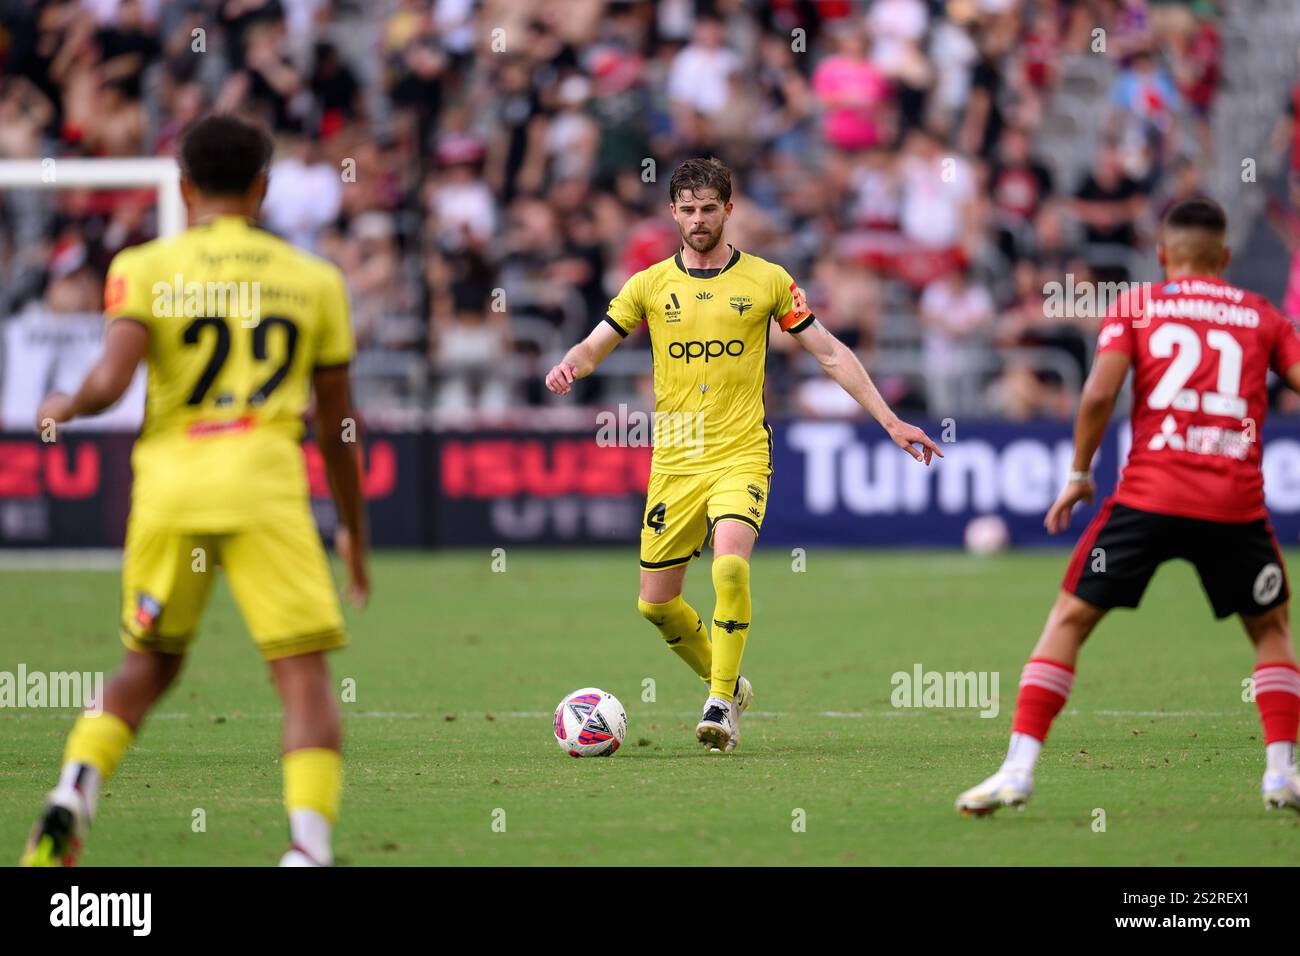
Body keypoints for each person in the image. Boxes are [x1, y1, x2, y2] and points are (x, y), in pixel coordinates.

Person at [20, 113, 369, 867]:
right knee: (301, 674)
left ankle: (73, 789)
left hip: (172, 484)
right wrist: (355, 537)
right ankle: (307, 851)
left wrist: (62, 407)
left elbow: (111, 383)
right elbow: (340, 426)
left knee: (148, 665)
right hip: (263, 484)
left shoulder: (145, 266)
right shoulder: (314, 280)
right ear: (264, 189)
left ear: (182, 187)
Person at [545, 157, 940, 752]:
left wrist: (887, 419)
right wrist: (572, 363)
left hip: (740, 452)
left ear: (729, 210)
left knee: (728, 566)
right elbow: (599, 342)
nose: (699, 219)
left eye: (709, 208)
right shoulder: (649, 284)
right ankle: (724, 679)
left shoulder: (767, 281)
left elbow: (829, 352)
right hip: (676, 460)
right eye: (688, 209)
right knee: (656, 606)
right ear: (673, 212)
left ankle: (720, 704)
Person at [957, 198, 1300, 815]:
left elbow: (1097, 395)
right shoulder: (1261, 315)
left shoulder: (1138, 306)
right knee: (1271, 628)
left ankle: (1017, 770)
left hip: (1149, 496)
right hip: (1232, 503)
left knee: (1068, 621)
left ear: (1164, 256)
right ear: (1224, 257)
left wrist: (1080, 474)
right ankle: (1281, 774)